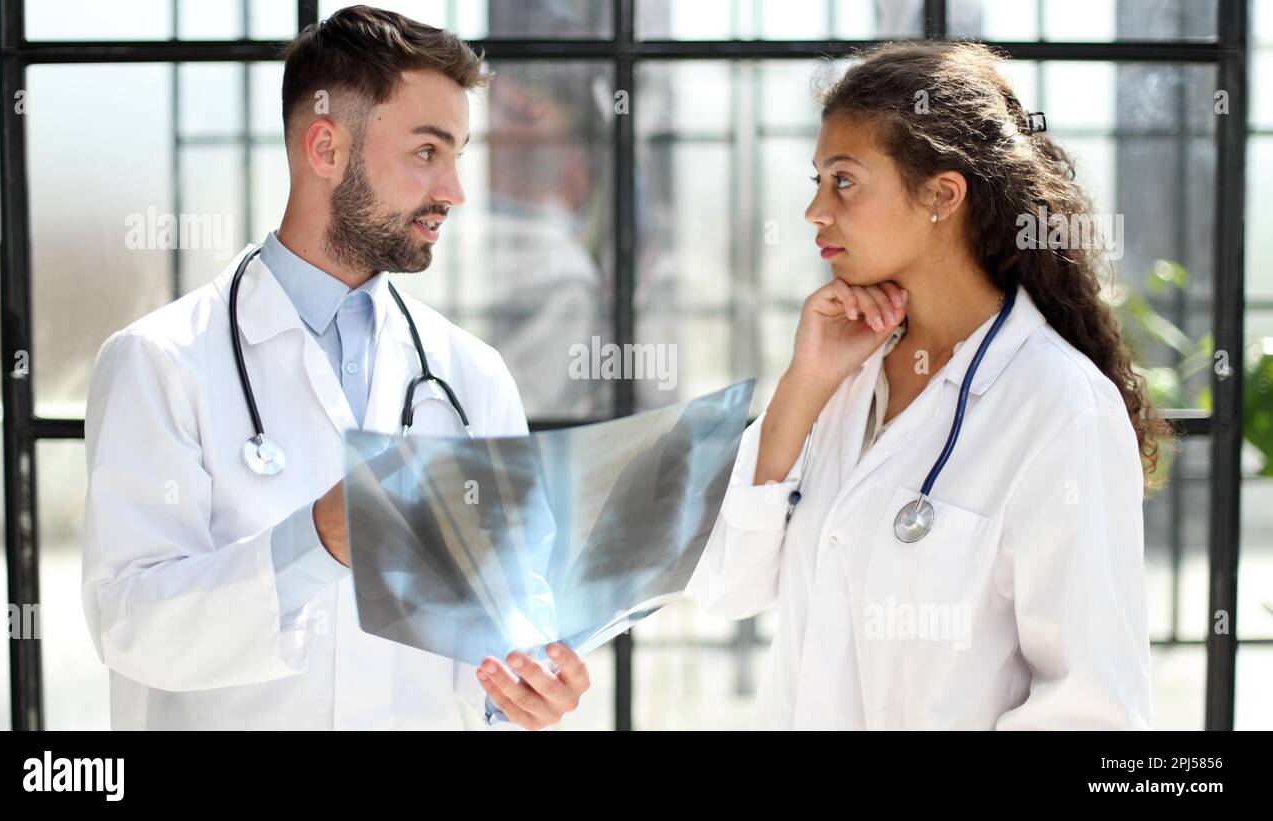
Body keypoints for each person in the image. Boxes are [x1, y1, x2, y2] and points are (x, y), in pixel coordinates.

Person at [81, 6, 590, 730]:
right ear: (326, 148)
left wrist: (520, 686)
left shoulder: (471, 377)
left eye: (457, 156)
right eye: (426, 153)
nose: (454, 192)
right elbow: (129, 624)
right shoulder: (160, 362)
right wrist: (316, 540)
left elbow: (507, 613)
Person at [686, 41, 1174, 730]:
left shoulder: (1061, 407)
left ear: (942, 195)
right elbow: (727, 585)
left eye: (844, 180)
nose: (815, 212)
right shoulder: (846, 375)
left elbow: (1090, 710)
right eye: (817, 180)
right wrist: (804, 385)